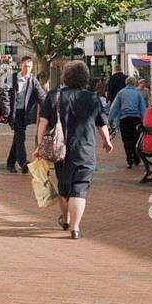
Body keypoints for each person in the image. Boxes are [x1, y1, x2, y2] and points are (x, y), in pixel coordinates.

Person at [36, 61, 113, 239]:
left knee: (64, 189)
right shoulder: (92, 98)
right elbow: (102, 123)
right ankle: (75, 227)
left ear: (66, 76)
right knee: (80, 188)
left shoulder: (55, 95)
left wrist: (40, 145)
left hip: (60, 150)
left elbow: (43, 122)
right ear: (85, 77)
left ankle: (65, 218)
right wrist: (107, 141)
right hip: (85, 149)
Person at [5, 58, 45, 173]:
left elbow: (42, 96)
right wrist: (7, 112)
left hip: (24, 113)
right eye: (25, 66)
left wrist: (49, 106)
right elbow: (6, 95)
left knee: (18, 137)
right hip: (14, 113)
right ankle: (23, 162)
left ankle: (10, 163)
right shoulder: (12, 78)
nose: (27, 69)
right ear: (21, 66)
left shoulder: (33, 81)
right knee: (20, 136)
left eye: (29, 66)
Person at [107, 72, 148, 168]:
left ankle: (129, 159)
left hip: (124, 119)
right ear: (135, 84)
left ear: (126, 83)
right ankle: (136, 157)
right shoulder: (138, 94)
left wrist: (110, 119)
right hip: (136, 119)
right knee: (136, 139)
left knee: (126, 140)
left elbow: (115, 107)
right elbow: (143, 108)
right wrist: (145, 119)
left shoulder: (121, 93)